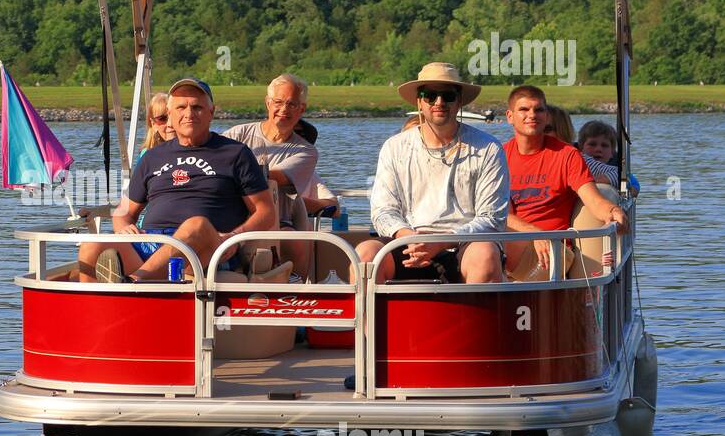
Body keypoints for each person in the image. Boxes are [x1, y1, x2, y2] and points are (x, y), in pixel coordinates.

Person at [76, 78, 275, 282]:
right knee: (92, 246)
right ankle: (94, 310)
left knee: (195, 225)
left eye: (197, 107)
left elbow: (266, 212)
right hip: (151, 242)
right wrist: (123, 226)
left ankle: (135, 282)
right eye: (181, 107)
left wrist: (234, 237)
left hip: (209, 248)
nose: (188, 114)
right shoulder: (152, 157)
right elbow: (123, 212)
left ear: (211, 113)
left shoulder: (236, 153)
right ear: (170, 115)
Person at [356, 62, 508, 284]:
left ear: (459, 102)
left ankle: (475, 318)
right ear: (419, 101)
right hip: (408, 243)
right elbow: (382, 211)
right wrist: (408, 237)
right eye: (430, 95)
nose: (439, 102)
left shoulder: (489, 148)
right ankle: (371, 319)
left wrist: (441, 241)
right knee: (365, 256)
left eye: (447, 96)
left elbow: (492, 218)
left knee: (485, 255)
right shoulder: (394, 147)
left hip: (463, 245)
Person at [502, 85, 628, 276]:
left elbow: (594, 200)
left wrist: (613, 211)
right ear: (510, 116)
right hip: (516, 245)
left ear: (546, 116)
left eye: (539, 109)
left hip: (556, 248)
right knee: (482, 245)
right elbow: (500, 215)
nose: (532, 115)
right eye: (524, 109)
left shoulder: (567, 155)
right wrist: (535, 233)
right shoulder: (499, 156)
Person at [223, 73, 320, 274]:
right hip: (230, 216)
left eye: (292, 104)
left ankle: (292, 288)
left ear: (302, 109)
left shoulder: (306, 152)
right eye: (278, 102)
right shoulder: (235, 135)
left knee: (292, 241)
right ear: (268, 103)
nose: (283, 109)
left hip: (277, 223)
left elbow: (271, 178)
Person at [575, 118, 640, 194]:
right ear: (581, 148)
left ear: (612, 153)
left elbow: (633, 184)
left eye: (604, 145)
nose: (598, 149)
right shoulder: (577, 161)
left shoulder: (616, 166)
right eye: (592, 144)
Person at [138, 91, 175, 160]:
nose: (170, 123)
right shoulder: (146, 157)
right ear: (153, 123)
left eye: (174, 117)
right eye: (162, 119)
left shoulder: (195, 151)